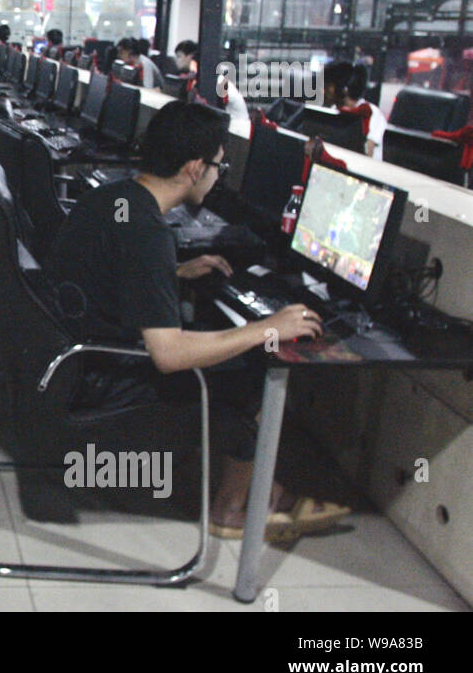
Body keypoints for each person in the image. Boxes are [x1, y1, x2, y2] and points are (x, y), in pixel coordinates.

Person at [43, 100, 349, 540]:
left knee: (223, 339)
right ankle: (232, 508)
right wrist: (268, 329)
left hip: (73, 357)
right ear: (193, 168)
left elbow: (112, 274)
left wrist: (175, 274)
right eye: (219, 169)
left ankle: (268, 490)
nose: (217, 178)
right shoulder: (148, 233)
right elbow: (168, 355)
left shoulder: (116, 199)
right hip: (101, 381)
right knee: (255, 369)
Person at [323, 60, 385, 159]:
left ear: (343, 89)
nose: (323, 91)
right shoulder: (332, 110)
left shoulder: (371, 114)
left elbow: (367, 154)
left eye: (328, 86)